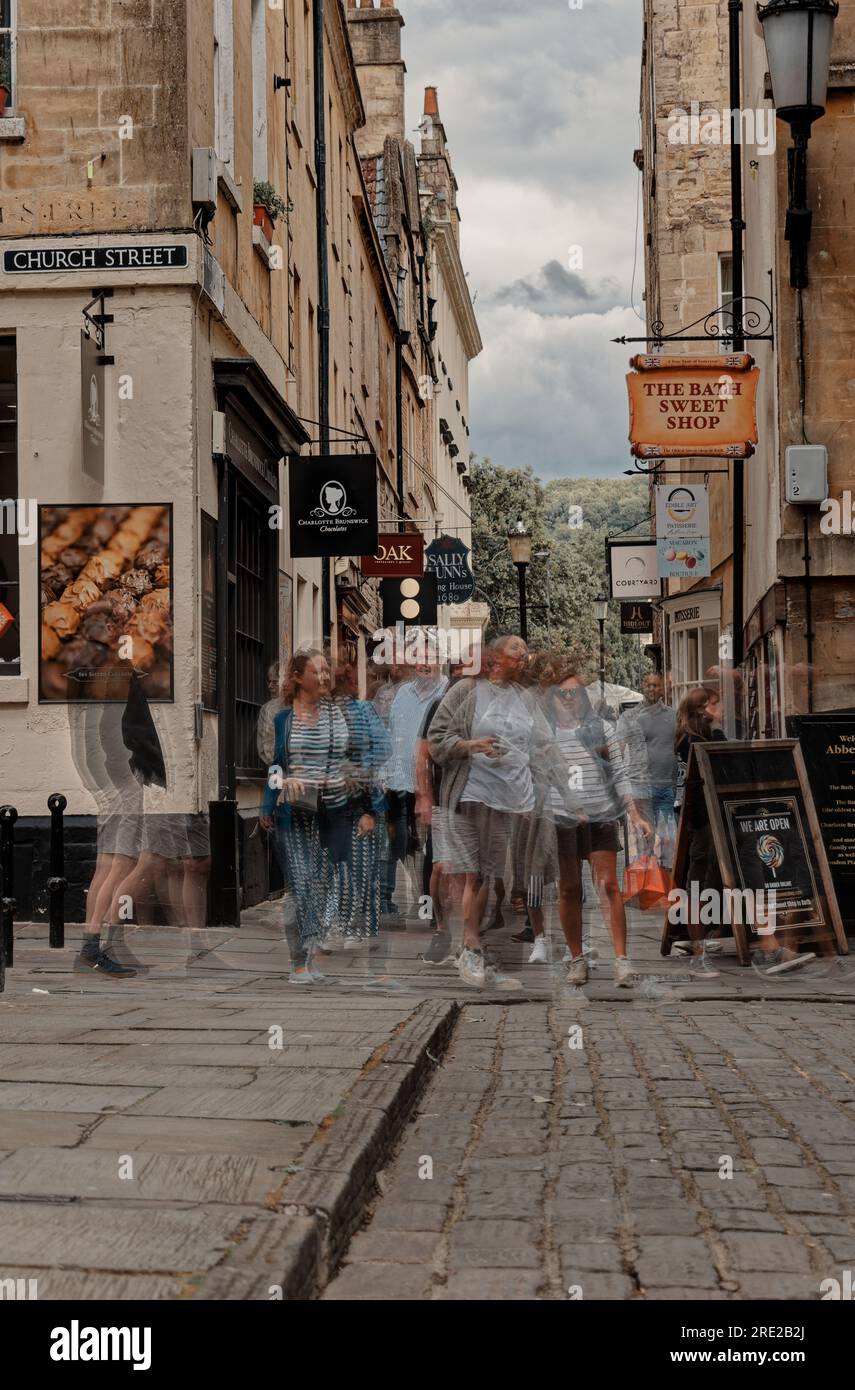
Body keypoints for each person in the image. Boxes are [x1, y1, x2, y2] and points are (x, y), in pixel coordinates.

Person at [427, 635, 574, 989]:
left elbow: (544, 745)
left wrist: (569, 791)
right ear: (494, 659)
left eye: (526, 651)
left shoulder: (524, 699)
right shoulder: (465, 691)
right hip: (468, 795)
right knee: (473, 874)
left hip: (508, 802)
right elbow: (436, 739)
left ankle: (473, 946)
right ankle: (471, 947)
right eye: (516, 651)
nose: (524, 656)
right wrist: (469, 745)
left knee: (490, 878)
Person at [674, 687, 815, 977]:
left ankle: (767, 944)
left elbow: (735, 767)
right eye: (715, 703)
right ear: (702, 709)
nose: (721, 708)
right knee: (700, 885)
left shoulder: (715, 737)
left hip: (733, 818)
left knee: (752, 876)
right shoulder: (689, 742)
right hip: (705, 823)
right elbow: (696, 785)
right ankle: (699, 948)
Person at [259, 651, 368, 983]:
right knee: (301, 886)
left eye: (325, 671)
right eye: (316, 671)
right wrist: (269, 801)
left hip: (330, 813)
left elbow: (355, 764)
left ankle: (309, 956)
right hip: (292, 813)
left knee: (320, 886)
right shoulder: (282, 719)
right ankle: (298, 965)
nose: (323, 677)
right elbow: (275, 766)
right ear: (297, 678)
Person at [542, 663, 652, 988]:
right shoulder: (546, 734)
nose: (568, 698)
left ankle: (622, 960)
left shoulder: (603, 729)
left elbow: (620, 772)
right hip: (562, 819)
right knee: (569, 889)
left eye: (574, 692)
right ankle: (577, 959)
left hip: (600, 815)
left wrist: (633, 813)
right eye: (561, 693)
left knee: (607, 885)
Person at [379, 661, 448, 925]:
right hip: (400, 783)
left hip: (433, 783)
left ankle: (429, 909)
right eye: (418, 659)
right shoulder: (402, 694)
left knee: (432, 849)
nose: (424, 665)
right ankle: (409, 900)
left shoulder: (446, 691)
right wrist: (388, 773)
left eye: (429, 658)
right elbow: (394, 736)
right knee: (404, 848)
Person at [617, 672, 678, 870]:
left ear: (663, 688)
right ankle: (648, 890)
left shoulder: (672, 715)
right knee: (646, 838)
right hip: (641, 786)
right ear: (642, 685)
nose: (652, 689)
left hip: (666, 785)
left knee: (669, 839)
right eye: (648, 684)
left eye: (656, 685)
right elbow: (618, 749)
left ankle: (667, 883)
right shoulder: (630, 717)